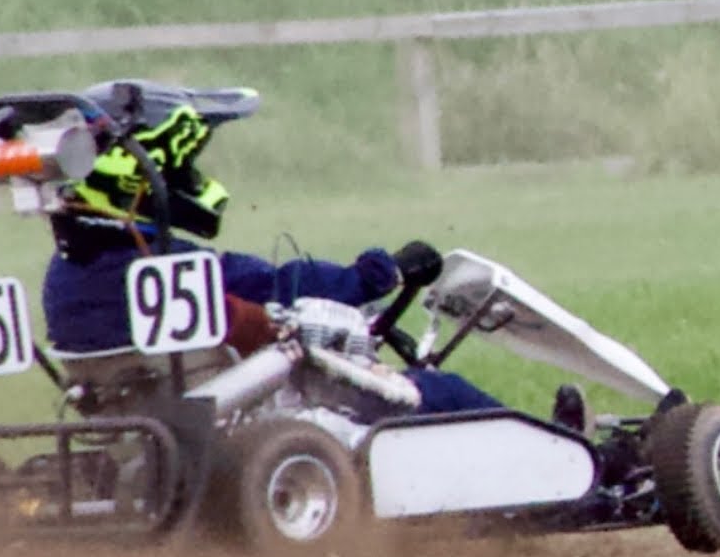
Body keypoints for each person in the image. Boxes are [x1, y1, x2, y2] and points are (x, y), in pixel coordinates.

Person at [40, 79, 593, 433]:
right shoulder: (172, 271)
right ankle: (570, 456)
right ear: (143, 176)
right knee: (437, 391)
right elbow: (283, 285)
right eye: (181, 169)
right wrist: (377, 273)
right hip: (248, 424)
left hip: (142, 420)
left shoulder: (65, 276)